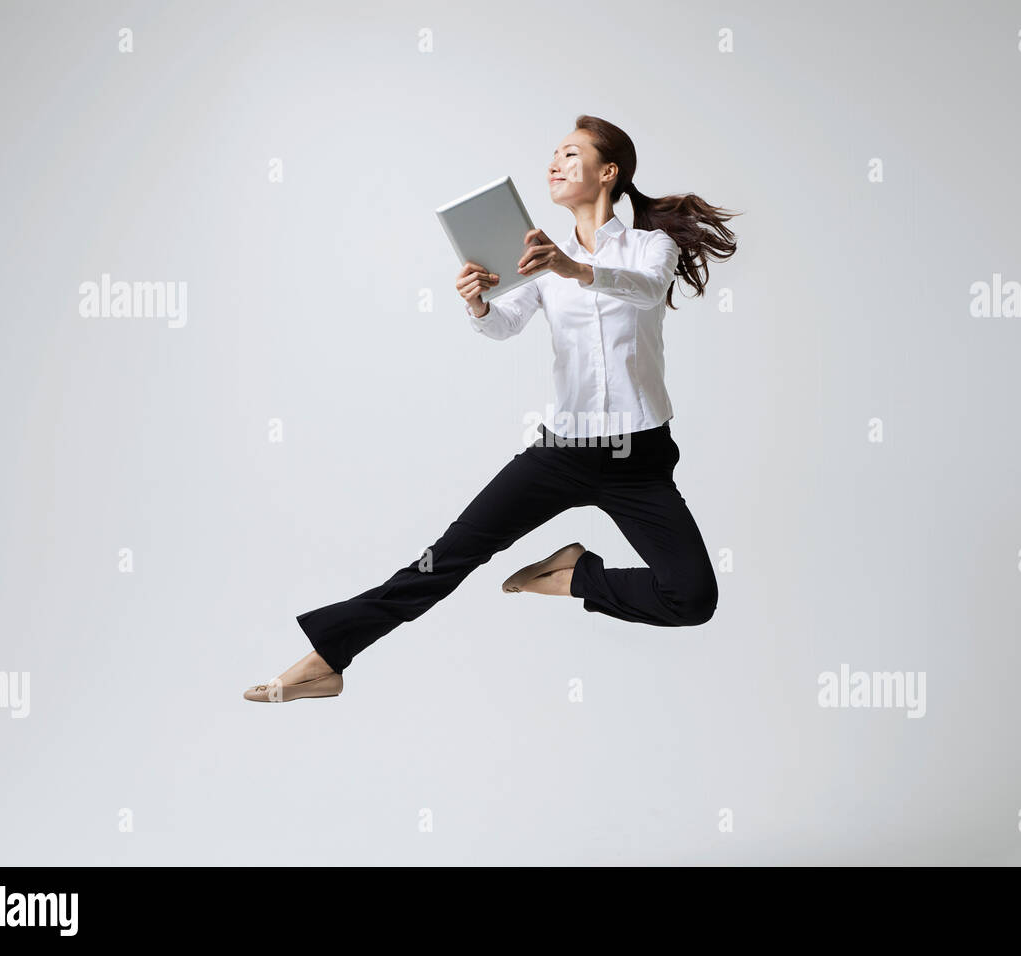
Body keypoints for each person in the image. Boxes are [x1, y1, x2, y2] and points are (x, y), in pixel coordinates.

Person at [245, 114, 740, 702]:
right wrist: (478, 304)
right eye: (552, 155)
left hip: (641, 459)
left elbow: (647, 289)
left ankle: (574, 574)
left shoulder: (646, 248)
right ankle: (325, 659)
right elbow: (505, 326)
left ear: (608, 173)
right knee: (447, 558)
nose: (554, 163)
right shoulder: (539, 259)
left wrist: (573, 269)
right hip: (564, 450)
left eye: (570, 154)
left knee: (691, 599)